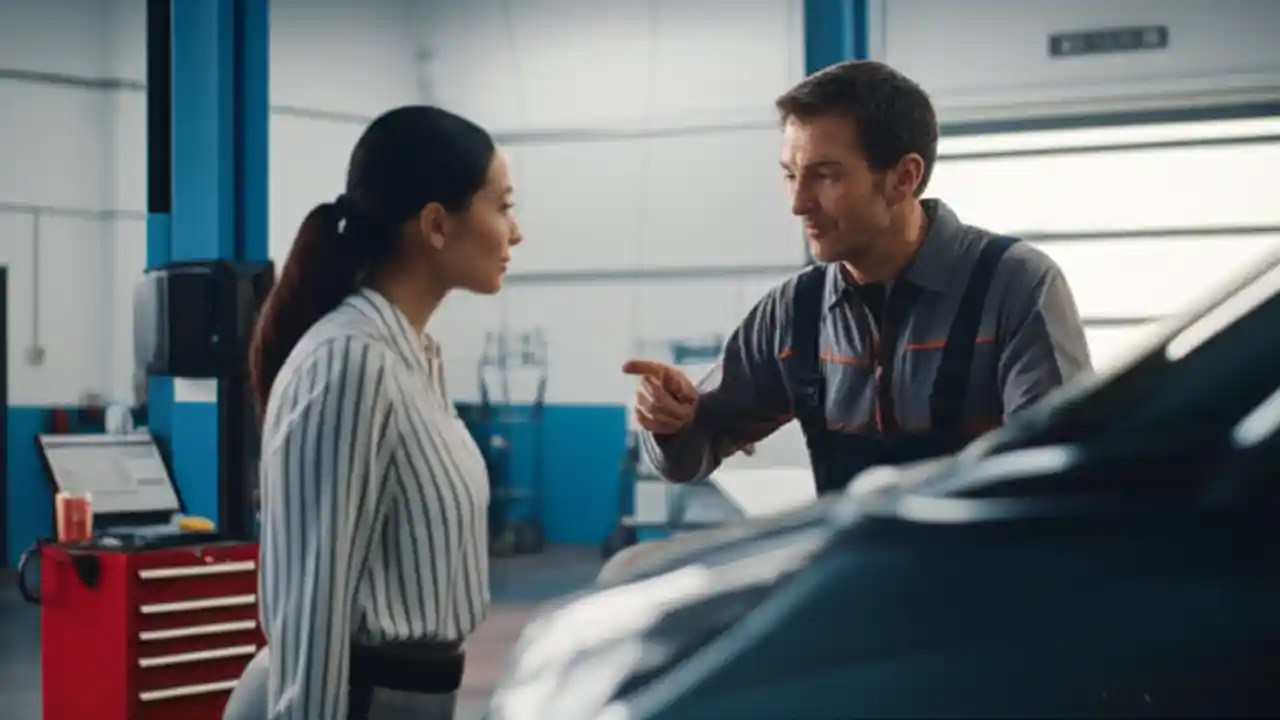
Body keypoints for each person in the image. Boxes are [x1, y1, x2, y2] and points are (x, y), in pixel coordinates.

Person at [608, 60, 1091, 583]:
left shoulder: (1015, 286)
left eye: (826, 175)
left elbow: (1059, 474)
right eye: (791, 176)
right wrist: (674, 423)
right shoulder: (795, 312)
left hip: (987, 597)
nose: (797, 203)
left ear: (904, 178)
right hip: (854, 595)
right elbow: (687, 458)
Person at [222, 105, 522, 720]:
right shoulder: (351, 362)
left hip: (413, 697)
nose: (514, 233)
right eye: (503, 206)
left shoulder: (414, 359)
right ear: (437, 224)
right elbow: (313, 601)